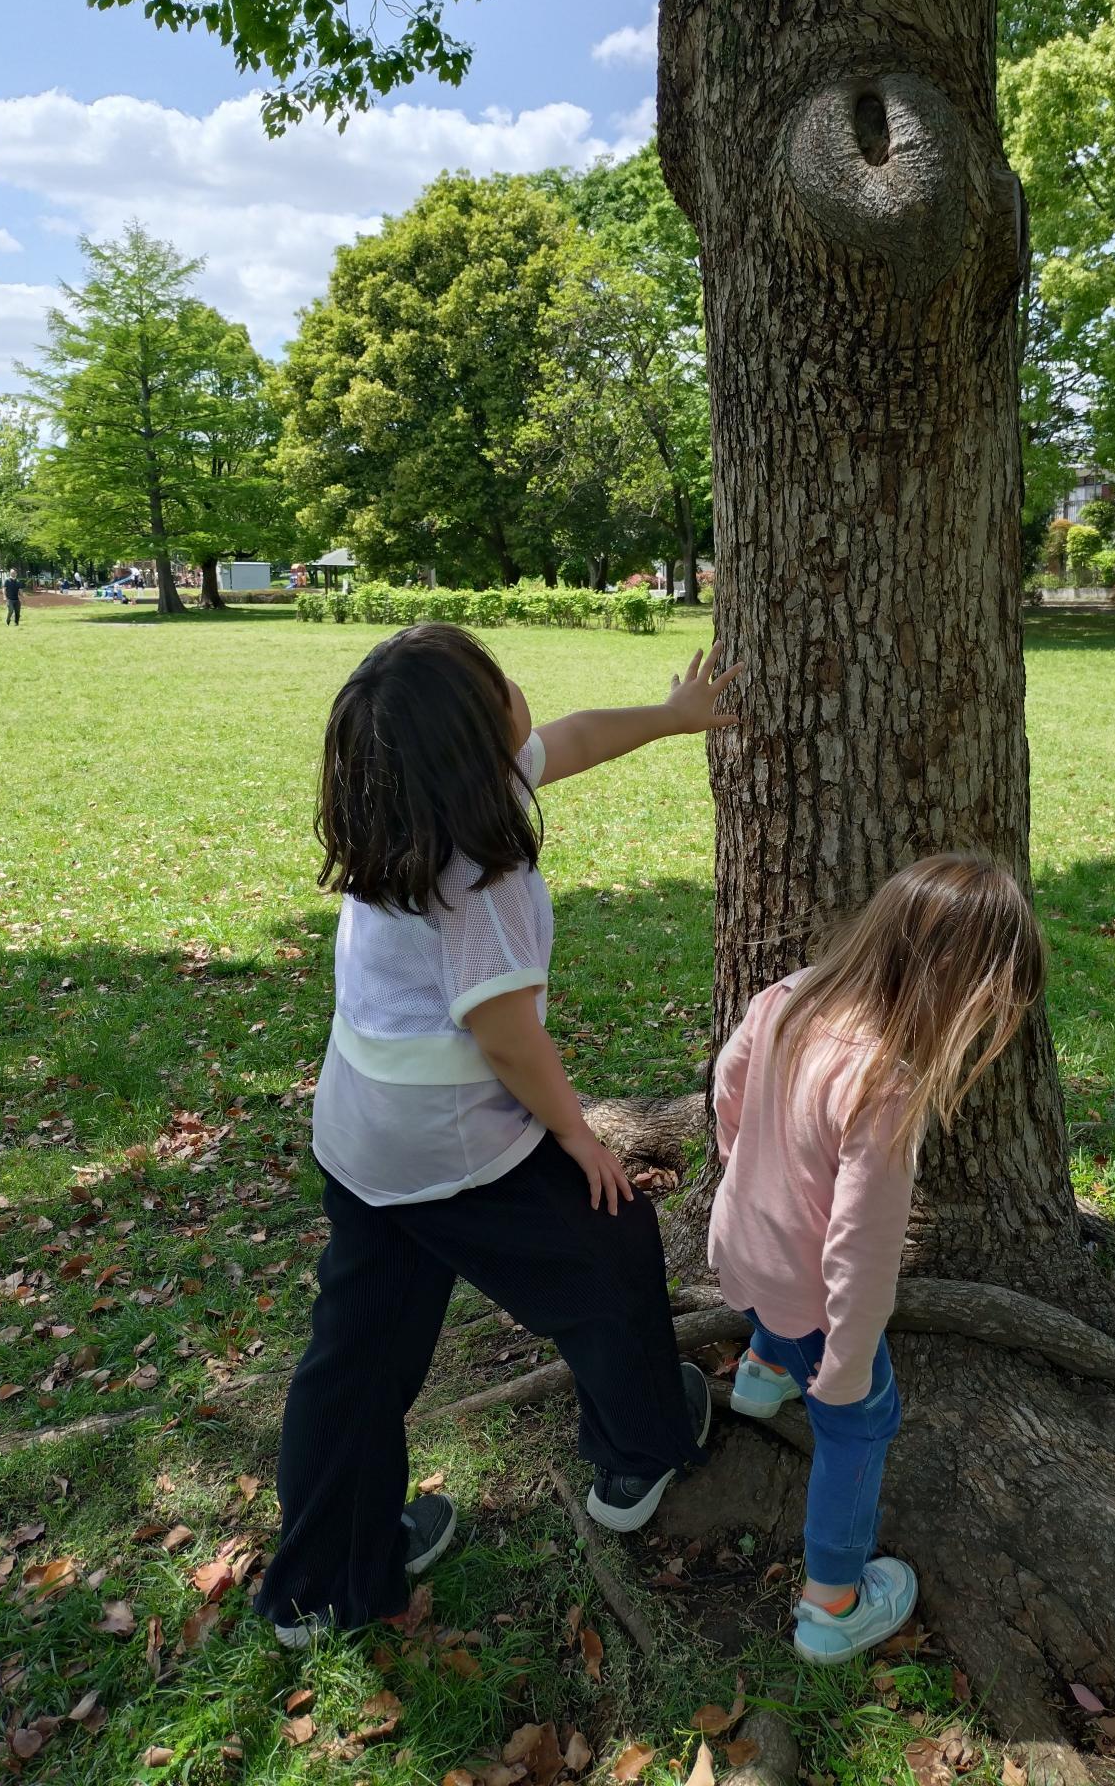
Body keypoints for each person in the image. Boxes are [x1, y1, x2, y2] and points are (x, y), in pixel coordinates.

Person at [255, 624, 745, 1648]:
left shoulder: (410, 806)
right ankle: (638, 1450)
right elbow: (510, 1039)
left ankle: (322, 1580)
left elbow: (567, 741)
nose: (525, 693)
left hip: (360, 1134)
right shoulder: (481, 874)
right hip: (452, 1146)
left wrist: (670, 716)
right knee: (609, 1246)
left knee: (356, 1357)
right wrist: (579, 1138)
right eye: (504, 686)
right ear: (472, 747)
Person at [708, 855, 1046, 1665]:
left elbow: (725, 1084)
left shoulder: (789, 997)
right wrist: (850, 1365)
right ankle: (832, 1607)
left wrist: (742, 1172)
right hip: (811, 1295)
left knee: (774, 1314)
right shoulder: (885, 1088)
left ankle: (761, 1372)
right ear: (963, 995)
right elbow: (859, 1255)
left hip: (739, 1245)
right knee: (860, 1427)